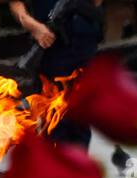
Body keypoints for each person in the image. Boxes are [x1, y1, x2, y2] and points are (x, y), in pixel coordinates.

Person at [9, 0, 105, 148]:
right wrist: (32, 25)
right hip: (52, 45)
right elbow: (16, 3)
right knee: (54, 121)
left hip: (84, 44)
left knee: (81, 121)